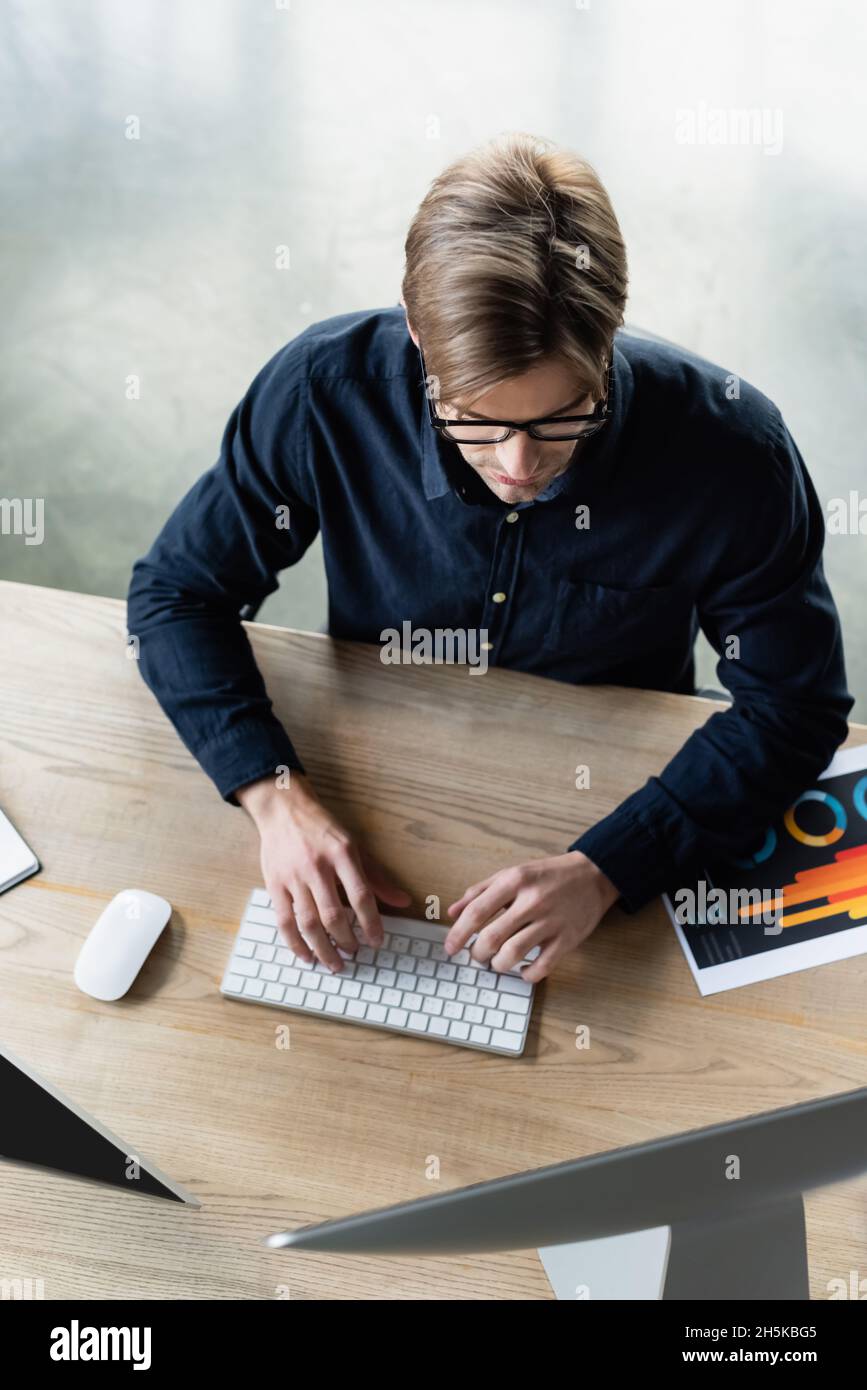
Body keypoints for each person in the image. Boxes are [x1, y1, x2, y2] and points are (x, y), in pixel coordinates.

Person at [127, 131, 852, 985]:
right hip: (384, 773)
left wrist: (610, 867)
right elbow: (177, 594)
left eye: (560, 419)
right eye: (472, 418)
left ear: (607, 340)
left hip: (617, 792)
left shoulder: (731, 452)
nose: (516, 465)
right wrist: (271, 791)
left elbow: (793, 707)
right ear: (416, 339)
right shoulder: (323, 392)